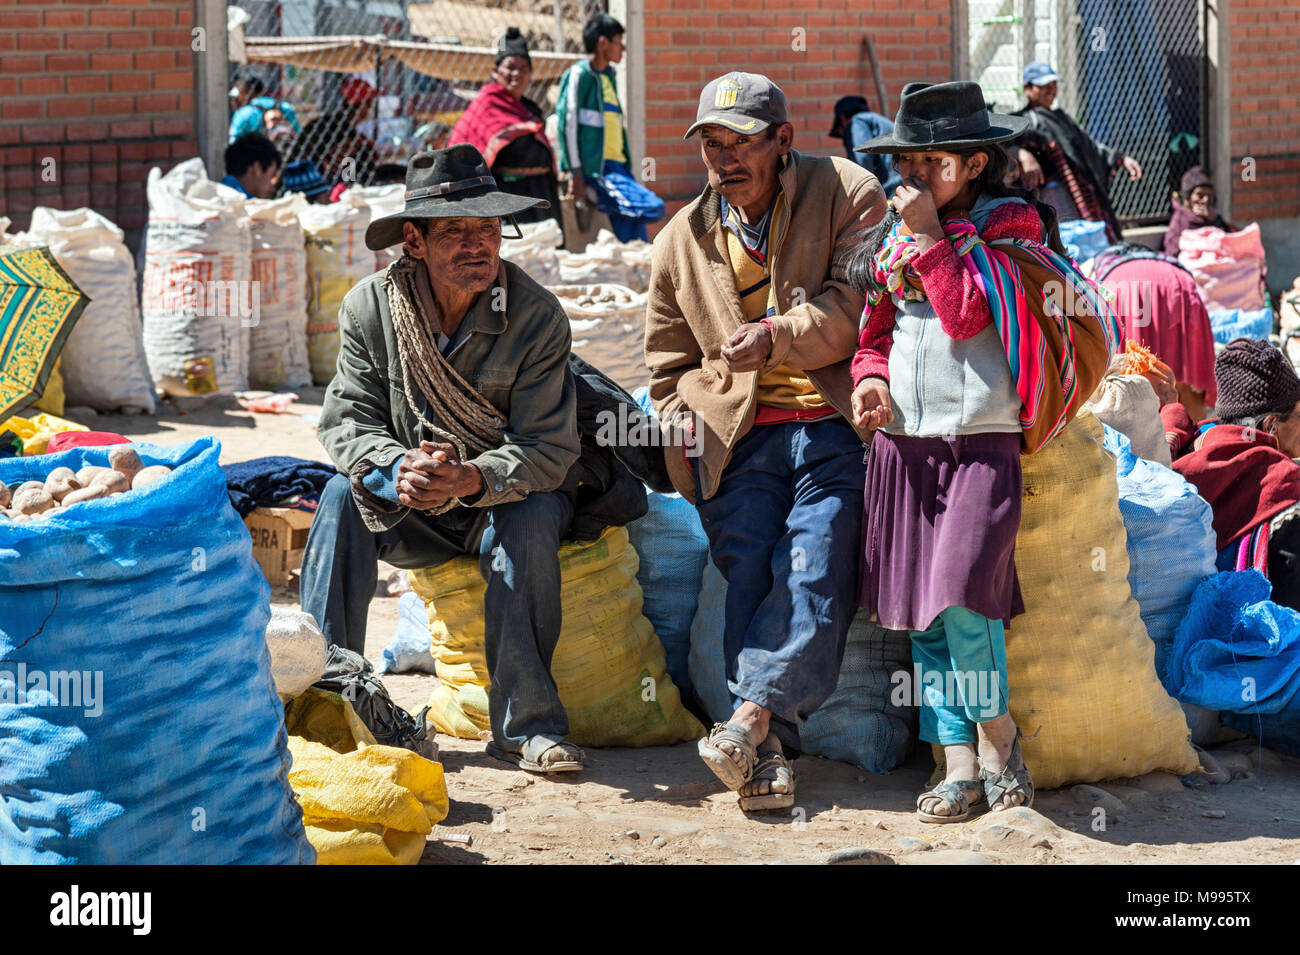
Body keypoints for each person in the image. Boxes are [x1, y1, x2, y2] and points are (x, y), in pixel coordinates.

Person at [300, 144, 587, 774]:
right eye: (454, 230)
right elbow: (346, 420)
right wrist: (395, 468)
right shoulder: (371, 308)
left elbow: (550, 449)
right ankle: (325, 696)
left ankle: (529, 727)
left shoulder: (536, 316)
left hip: (499, 503)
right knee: (340, 496)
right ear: (414, 240)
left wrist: (474, 477)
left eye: (487, 229)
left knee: (534, 513)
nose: (477, 245)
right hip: (417, 505)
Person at [645, 72, 884, 812]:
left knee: (815, 556)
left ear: (783, 141)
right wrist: (681, 427)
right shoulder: (681, 239)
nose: (725, 160)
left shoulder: (848, 191)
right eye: (713, 145)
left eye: (742, 143)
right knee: (747, 564)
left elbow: (856, 306)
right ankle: (768, 753)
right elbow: (665, 364)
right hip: (738, 437)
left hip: (831, 420)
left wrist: (781, 336)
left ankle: (747, 720)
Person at [850, 81, 1053, 823]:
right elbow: (873, 336)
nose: (912, 175)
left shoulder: (1009, 231)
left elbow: (968, 317)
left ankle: (999, 735)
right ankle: (956, 761)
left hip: (980, 443)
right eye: (906, 161)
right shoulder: (895, 242)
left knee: (965, 593)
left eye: (930, 161)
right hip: (904, 447)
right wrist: (869, 382)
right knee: (926, 615)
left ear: (973, 164)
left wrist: (934, 236)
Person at [556, 12, 665, 242]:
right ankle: (598, 197)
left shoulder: (609, 77)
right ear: (603, 42)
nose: (623, 48)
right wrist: (576, 173)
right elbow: (568, 124)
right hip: (599, 171)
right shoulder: (579, 75)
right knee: (654, 208)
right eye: (618, 42)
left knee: (636, 238)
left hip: (619, 168)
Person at [448, 27, 563, 236]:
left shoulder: (531, 109)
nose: (517, 74)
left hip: (542, 194)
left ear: (530, 74)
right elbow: (464, 151)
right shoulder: (486, 105)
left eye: (523, 68)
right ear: (495, 71)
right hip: (509, 199)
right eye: (510, 67)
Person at [1011, 61, 1142, 241]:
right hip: (1044, 198)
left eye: (1054, 86)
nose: (1051, 91)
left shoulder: (1061, 118)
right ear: (1028, 88)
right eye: (1044, 87)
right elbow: (1002, 148)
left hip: (1075, 197)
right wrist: (1020, 153)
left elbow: (1089, 146)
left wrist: (1120, 158)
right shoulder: (1020, 121)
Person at [1090, 243, 1217, 421]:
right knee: (1187, 384)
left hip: (1122, 288)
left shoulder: (1093, 268)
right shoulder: (1165, 261)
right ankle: (1195, 439)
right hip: (1177, 285)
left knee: (1131, 386)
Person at [292, 76, 380, 189]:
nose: (370, 108)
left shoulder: (332, 123)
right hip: (318, 183)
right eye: (369, 103)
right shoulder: (343, 131)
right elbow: (348, 172)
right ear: (362, 105)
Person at [829, 95, 901, 197]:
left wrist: (862, 189)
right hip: (900, 186)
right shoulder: (876, 121)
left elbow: (862, 156)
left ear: (842, 118)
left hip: (890, 191)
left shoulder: (857, 122)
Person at [1164, 166, 1233, 258]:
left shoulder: (1215, 218)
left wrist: (1215, 221)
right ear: (1187, 200)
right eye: (1200, 195)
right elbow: (1171, 246)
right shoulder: (1181, 218)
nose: (1205, 200)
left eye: (1209, 196)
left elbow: (1230, 240)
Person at [222, 132, 282, 199]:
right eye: (271, 177)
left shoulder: (221, 191)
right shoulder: (244, 203)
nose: (273, 188)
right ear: (257, 168)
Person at [229, 72, 267, 143]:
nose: (234, 99)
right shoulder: (265, 106)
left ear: (250, 92)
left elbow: (233, 141)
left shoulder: (244, 113)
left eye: (239, 88)